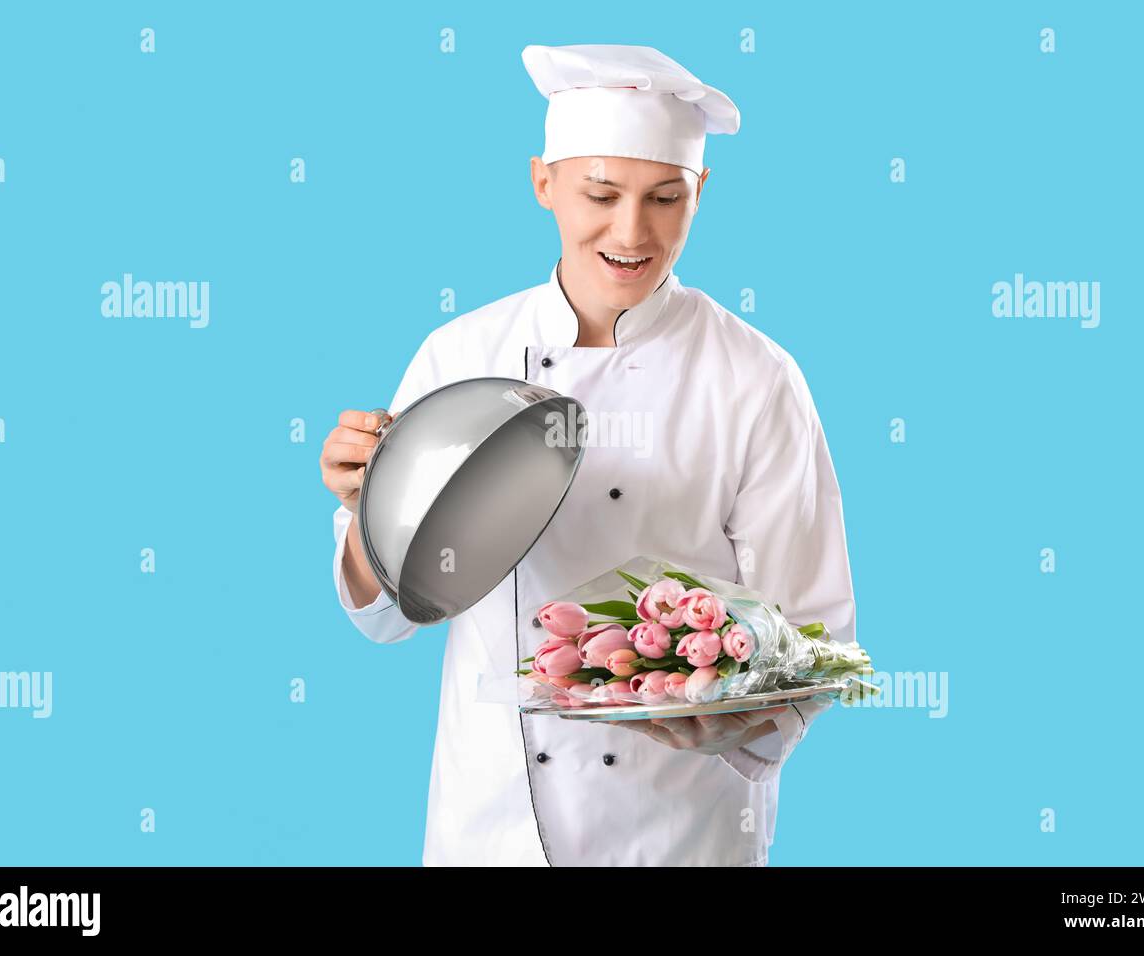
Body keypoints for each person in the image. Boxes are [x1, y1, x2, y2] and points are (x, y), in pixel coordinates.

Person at [319, 44, 856, 866]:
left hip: (677, 831)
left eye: (666, 198)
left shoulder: (756, 379)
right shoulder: (462, 354)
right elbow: (390, 611)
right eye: (600, 195)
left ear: (701, 192)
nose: (631, 231)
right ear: (543, 183)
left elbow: (816, 631)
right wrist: (369, 507)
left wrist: (729, 714)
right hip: (485, 827)